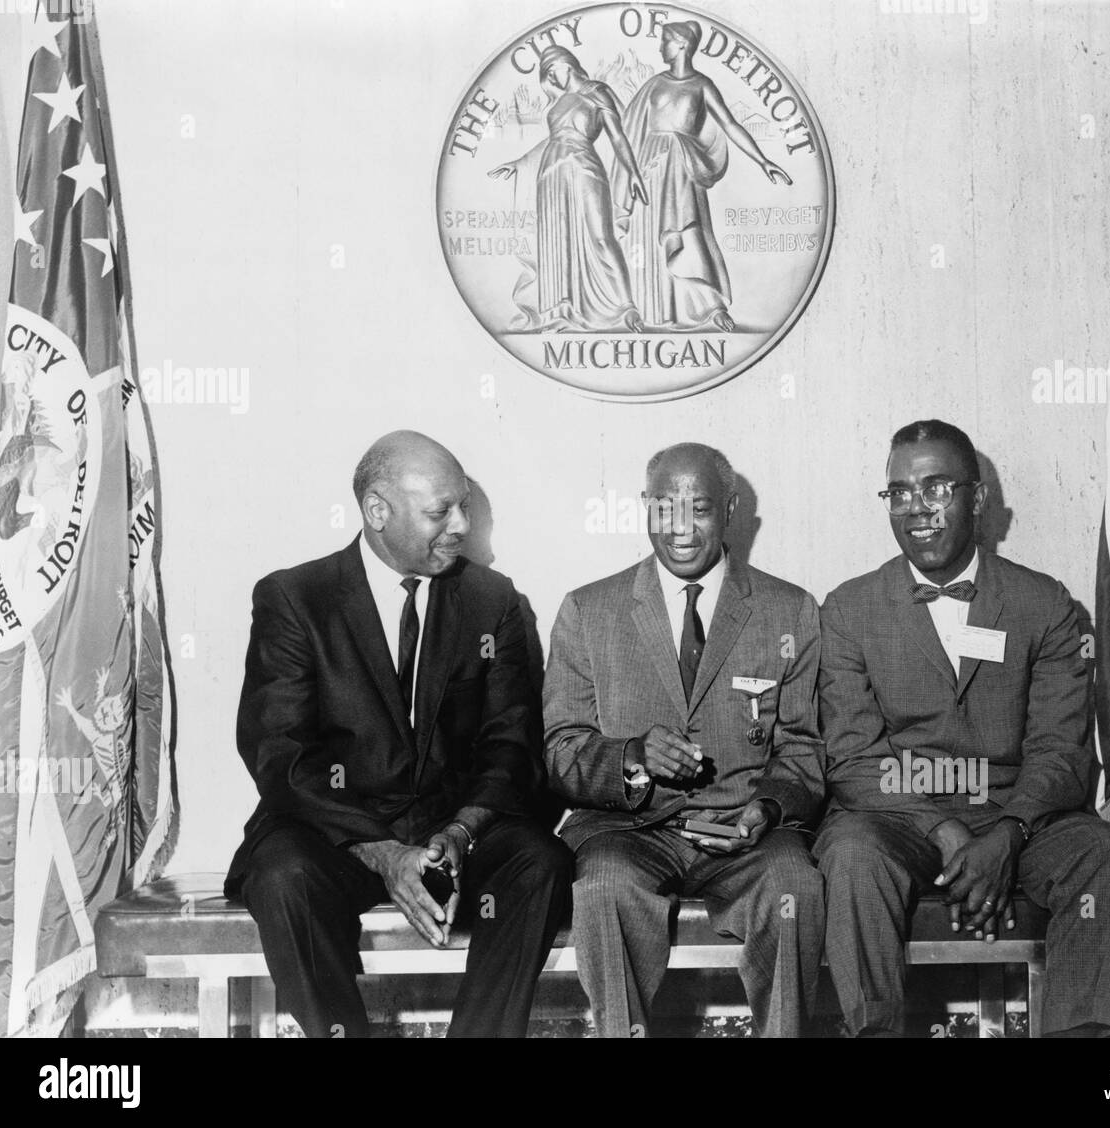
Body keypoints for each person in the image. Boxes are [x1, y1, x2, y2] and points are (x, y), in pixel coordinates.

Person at [225, 431, 572, 1037]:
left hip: (452, 832)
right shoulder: (296, 598)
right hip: (335, 834)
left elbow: (511, 745)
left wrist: (461, 832)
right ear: (377, 510)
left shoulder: (493, 601)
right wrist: (385, 854)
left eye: (465, 506)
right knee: (282, 877)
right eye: (442, 511)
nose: (462, 526)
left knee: (538, 862)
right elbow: (280, 753)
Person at [817, 419, 1110, 1037]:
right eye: (900, 493)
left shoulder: (1044, 602)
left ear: (978, 498)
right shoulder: (849, 608)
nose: (917, 509)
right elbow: (853, 759)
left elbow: (1061, 752)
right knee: (852, 852)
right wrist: (942, 830)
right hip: (900, 818)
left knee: (1108, 854)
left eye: (937, 489)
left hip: (1017, 813)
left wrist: (1010, 833)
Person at [543, 442, 825, 1037]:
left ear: (731, 510)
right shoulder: (588, 610)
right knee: (603, 888)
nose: (680, 528)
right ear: (644, 506)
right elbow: (562, 750)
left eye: (699, 509)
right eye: (664, 508)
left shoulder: (790, 611)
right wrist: (631, 757)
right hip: (629, 832)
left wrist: (767, 808)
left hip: (746, 834)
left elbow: (802, 750)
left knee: (794, 888)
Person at [610, 20, 793, 332]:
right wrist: (631, 173)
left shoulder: (702, 85)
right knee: (649, 237)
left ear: (682, 43)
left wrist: (763, 161)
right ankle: (651, 309)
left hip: (683, 167)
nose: (660, 47)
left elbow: (730, 124)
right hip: (650, 167)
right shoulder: (654, 84)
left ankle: (711, 307)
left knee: (689, 231)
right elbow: (629, 129)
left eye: (665, 41)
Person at [489, 46, 647, 332]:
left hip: (584, 166)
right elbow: (554, 139)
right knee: (557, 243)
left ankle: (627, 307)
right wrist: (521, 162)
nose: (551, 77)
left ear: (568, 64)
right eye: (546, 74)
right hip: (551, 174)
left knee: (601, 236)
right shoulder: (558, 103)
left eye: (553, 69)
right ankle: (563, 311)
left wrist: (633, 172)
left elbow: (617, 136)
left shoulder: (597, 91)